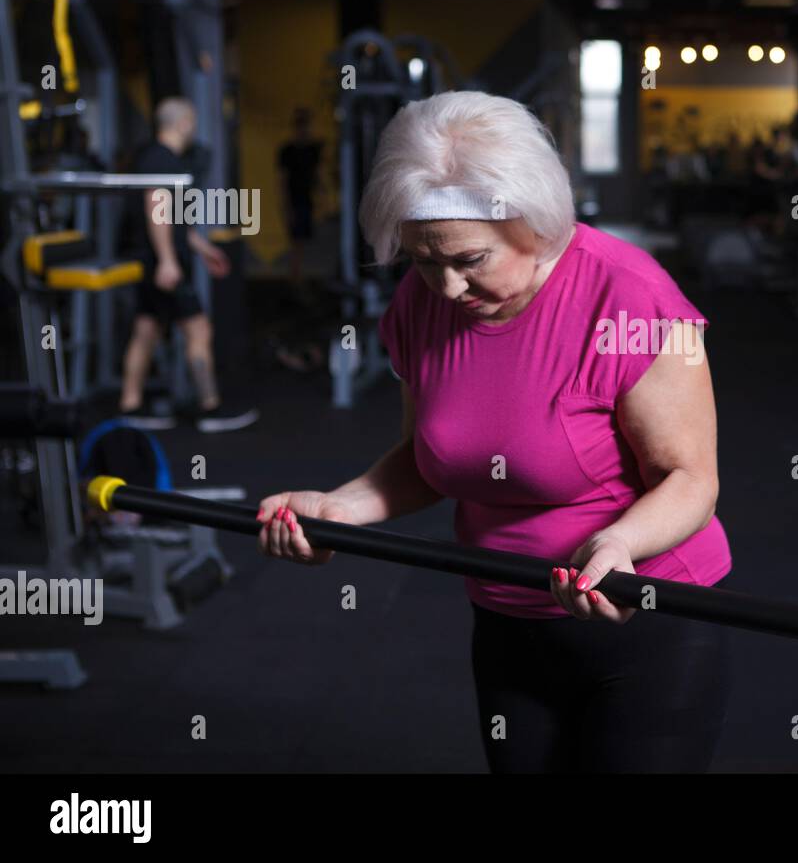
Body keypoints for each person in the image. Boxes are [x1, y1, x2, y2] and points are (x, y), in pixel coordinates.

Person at [252, 90, 733, 773]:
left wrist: (619, 543)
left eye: (468, 260)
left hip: (648, 617)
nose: (445, 288)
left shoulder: (632, 299)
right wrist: (341, 508)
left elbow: (692, 480)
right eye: (423, 260)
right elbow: (429, 461)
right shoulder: (422, 302)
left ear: (535, 223)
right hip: (506, 620)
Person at [118, 97, 259, 433]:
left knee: (146, 330)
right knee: (198, 330)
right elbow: (157, 209)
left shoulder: (156, 157)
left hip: (155, 260)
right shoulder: (162, 160)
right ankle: (210, 407)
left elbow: (176, 222)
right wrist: (168, 260)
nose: (194, 128)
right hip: (163, 263)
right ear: (182, 123)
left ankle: (130, 405)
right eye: (192, 121)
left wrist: (203, 248)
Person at [277, 107, 322, 295]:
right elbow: (282, 180)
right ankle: (295, 279)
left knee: (303, 241)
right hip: (296, 200)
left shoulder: (313, 150)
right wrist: (285, 206)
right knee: (297, 242)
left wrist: (322, 197)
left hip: (307, 199)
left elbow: (317, 176)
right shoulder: (288, 151)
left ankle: (298, 279)